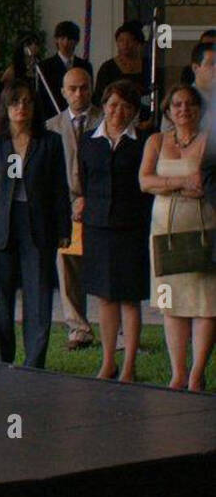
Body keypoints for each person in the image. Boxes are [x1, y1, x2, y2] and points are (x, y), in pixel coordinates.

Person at [0, 81, 70, 369]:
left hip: (37, 227)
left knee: (38, 296)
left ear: (34, 107)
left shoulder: (50, 142)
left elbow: (60, 189)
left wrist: (64, 229)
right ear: (5, 108)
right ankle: (0, 359)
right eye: (14, 102)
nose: (21, 108)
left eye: (26, 102)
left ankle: (35, 361)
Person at [140, 84, 216, 391]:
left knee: (206, 304)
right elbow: (145, 181)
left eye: (190, 104)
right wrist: (183, 181)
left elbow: (207, 184)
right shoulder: (156, 140)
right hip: (165, 231)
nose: (184, 109)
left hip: (204, 229)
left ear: (200, 109)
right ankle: (177, 373)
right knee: (171, 304)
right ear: (168, 111)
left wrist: (166, 183)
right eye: (177, 105)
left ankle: (197, 375)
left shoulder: (211, 140)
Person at [77, 80, 153, 382]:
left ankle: (129, 366)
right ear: (103, 106)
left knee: (129, 298)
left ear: (133, 110)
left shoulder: (143, 141)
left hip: (131, 227)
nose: (116, 111)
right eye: (111, 104)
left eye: (124, 106)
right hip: (97, 226)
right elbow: (83, 180)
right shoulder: (88, 140)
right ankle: (108, 361)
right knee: (104, 297)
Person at [44, 66, 101, 350]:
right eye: (73, 88)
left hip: (102, 204)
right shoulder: (51, 126)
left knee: (105, 267)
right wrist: (70, 204)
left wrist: (89, 198)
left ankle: (115, 329)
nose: (79, 93)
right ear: (63, 92)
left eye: (84, 87)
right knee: (67, 268)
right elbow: (50, 175)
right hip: (66, 209)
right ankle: (78, 329)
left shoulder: (106, 119)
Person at [36, 20, 94, 123]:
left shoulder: (85, 65)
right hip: (53, 118)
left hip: (81, 118)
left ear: (76, 41)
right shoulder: (44, 66)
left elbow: (89, 94)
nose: (66, 43)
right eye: (62, 38)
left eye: (70, 39)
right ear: (56, 40)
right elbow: (41, 98)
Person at [93, 21, 149, 111]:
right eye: (121, 40)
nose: (125, 44)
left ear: (138, 43)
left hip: (145, 117)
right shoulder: (107, 68)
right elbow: (99, 98)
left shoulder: (149, 66)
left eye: (130, 40)